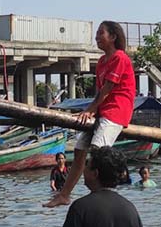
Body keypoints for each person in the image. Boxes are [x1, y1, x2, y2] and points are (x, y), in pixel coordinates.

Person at [46, 21, 136, 208]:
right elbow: (100, 91)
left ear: (113, 37)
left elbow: (108, 89)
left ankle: (100, 194)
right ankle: (64, 195)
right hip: (103, 110)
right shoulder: (102, 61)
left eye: (101, 33)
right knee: (79, 150)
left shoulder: (120, 58)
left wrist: (90, 110)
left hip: (117, 110)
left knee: (98, 152)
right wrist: (92, 110)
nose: (96, 37)